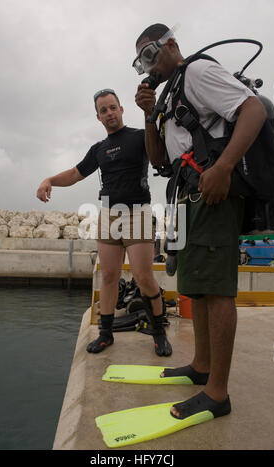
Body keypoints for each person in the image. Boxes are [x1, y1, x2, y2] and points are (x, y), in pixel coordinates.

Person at [134, 24, 267, 420]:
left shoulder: (196, 72)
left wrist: (225, 167)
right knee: (198, 286)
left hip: (213, 192)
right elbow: (159, 160)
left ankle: (217, 393)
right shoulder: (172, 91)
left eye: (151, 53)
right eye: (141, 59)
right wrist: (147, 115)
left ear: (171, 44)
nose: (148, 64)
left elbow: (253, 108)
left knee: (217, 289)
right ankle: (202, 368)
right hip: (187, 196)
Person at [36, 89, 172, 357]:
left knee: (143, 277)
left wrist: (151, 114)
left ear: (121, 109)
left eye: (112, 108)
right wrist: (49, 180)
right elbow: (76, 173)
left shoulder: (139, 137)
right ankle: (105, 334)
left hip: (138, 213)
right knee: (109, 276)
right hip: (109, 214)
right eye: (103, 110)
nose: (109, 113)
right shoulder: (98, 149)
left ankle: (158, 331)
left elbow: (160, 150)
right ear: (98, 117)